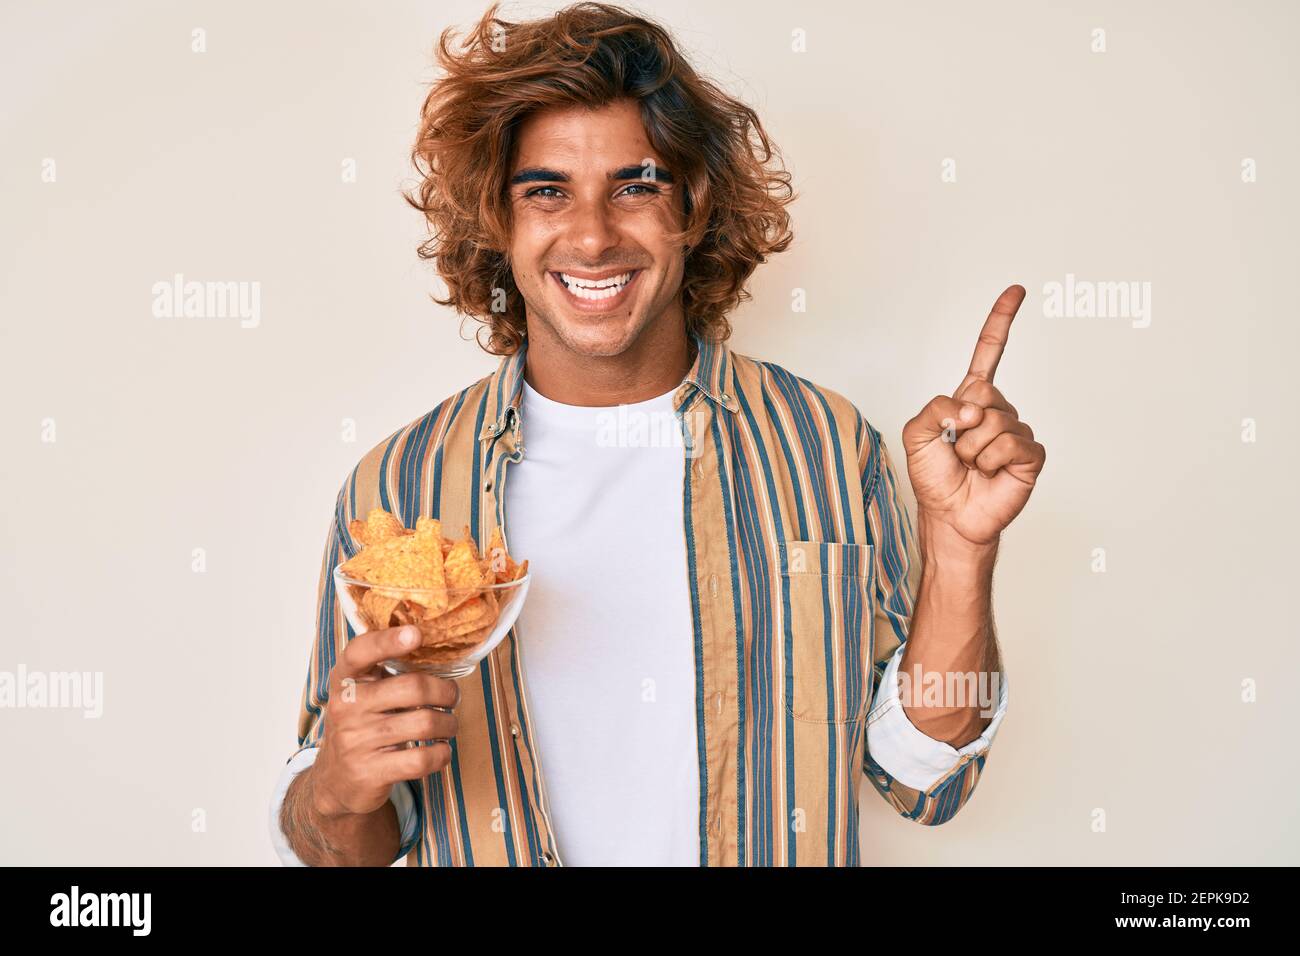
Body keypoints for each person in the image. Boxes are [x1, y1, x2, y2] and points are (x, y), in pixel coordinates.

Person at [269, 1, 1045, 867]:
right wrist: (337, 791)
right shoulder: (400, 487)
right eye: (547, 192)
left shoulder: (827, 446)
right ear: (500, 221)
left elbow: (920, 779)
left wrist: (961, 552)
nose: (594, 236)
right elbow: (342, 843)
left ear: (695, 209)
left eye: (637, 187)